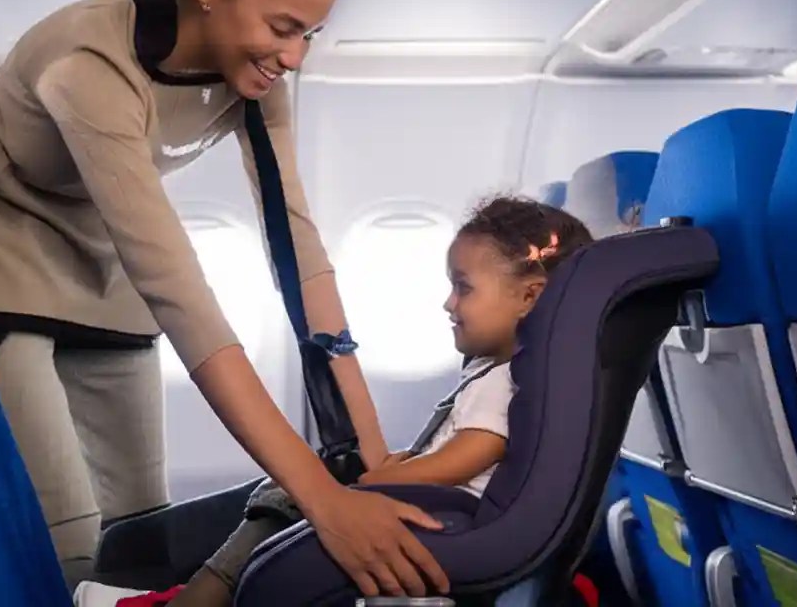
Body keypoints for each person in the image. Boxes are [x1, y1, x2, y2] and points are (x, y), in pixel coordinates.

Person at [0, 0, 447, 596]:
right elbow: (181, 293)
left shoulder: (257, 77)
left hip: (104, 268)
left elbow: (296, 247)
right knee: (72, 539)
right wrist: (317, 498)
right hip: (4, 258)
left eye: (310, 33)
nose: (295, 56)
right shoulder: (89, 63)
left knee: (139, 531)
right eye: (282, 26)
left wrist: (366, 457)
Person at [72, 196, 596, 606]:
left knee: (294, 494)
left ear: (529, 297)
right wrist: (395, 465)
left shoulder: (506, 381)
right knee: (294, 489)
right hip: (443, 501)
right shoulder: (495, 373)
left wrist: (381, 480)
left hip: (449, 515)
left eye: (463, 288)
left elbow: (468, 457)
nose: (448, 302)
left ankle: (196, 599)